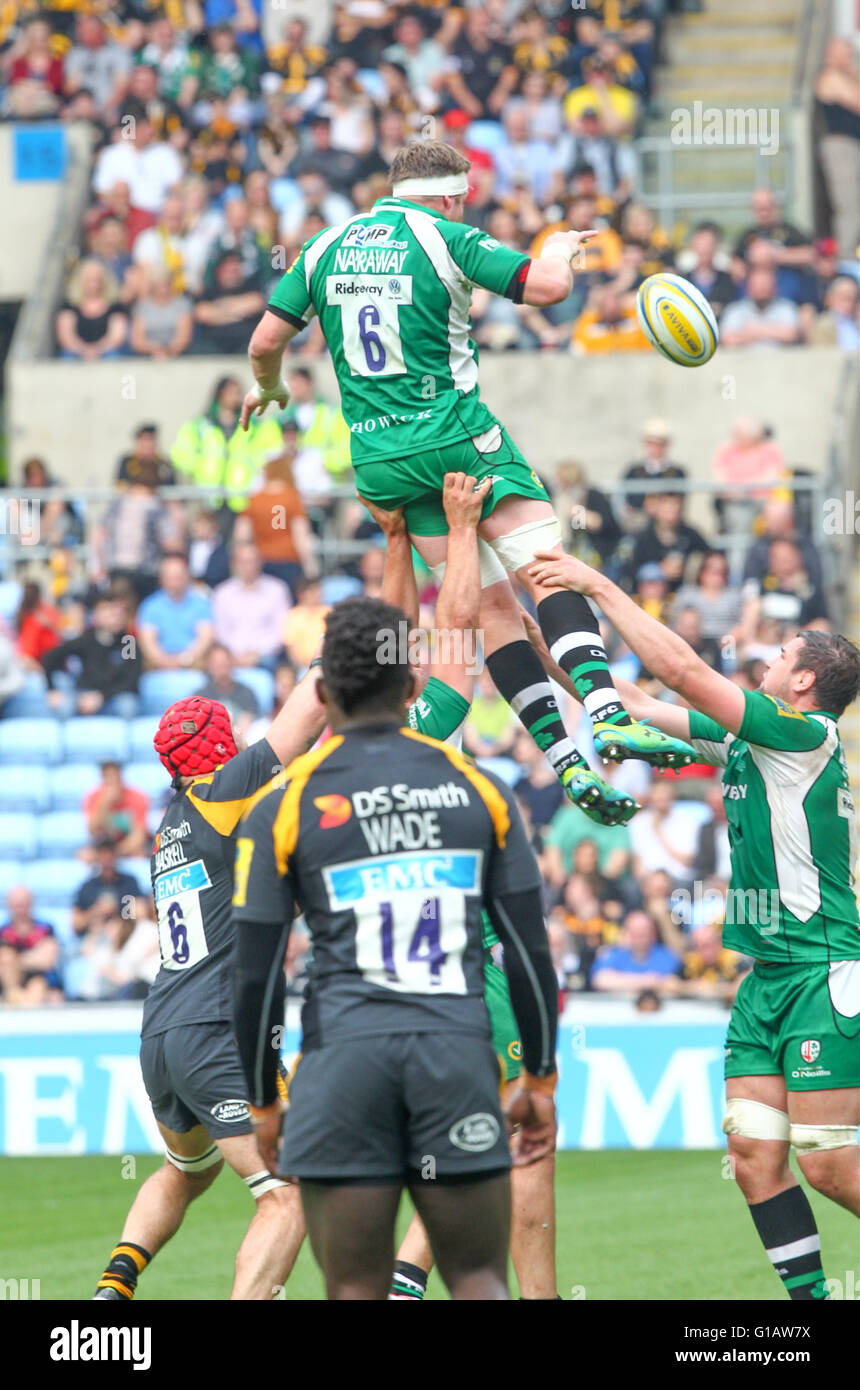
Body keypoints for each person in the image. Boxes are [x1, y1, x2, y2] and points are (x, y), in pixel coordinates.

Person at [242, 137, 694, 830]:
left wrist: (270, 390)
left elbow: (264, 345)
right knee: (549, 568)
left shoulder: (323, 246)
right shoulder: (446, 236)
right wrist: (559, 250)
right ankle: (604, 711)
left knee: (491, 612)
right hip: (457, 438)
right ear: (451, 197)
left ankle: (564, 759)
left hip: (381, 462)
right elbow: (547, 290)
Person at [526, 547, 860, 1301]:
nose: (766, 661)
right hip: (767, 979)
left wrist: (597, 583)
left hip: (823, 969)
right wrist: (537, 642)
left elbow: (678, 670)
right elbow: (638, 703)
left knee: (829, 1162)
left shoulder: (804, 737)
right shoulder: (754, 739)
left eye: (780, 655)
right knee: (752, 1157)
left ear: (803, 680)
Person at [231, 593, 559, 1300]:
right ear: (413, 685)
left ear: (320, 693)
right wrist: (538, 1079)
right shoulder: (482, 789)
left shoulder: (281, 804)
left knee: (354, 1288)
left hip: (343, 1065)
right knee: (476, 1275)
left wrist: (262, 1105)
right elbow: (532, 955)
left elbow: (253, 981)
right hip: (456, 1059)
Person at [364, 473, 561, 1300]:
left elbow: (392, 634)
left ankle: (406, 1275)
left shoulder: (316, 774)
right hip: (471, 961)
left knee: (444, 1137)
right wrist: (457, 529)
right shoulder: (429, 731)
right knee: (527, 1142)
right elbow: (450, 636)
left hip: (381, 988)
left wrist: (396, 540)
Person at [92, 663, 328, 1301]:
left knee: (186, 1170)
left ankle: (115, 1286)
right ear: (218, 746)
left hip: (162, 1030)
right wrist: (336, 652)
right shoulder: (219, 792)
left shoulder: (171, 825)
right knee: (287, 1192)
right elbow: (305, 714)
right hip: (214, 1027)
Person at [43, 591, 141, 719]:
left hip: (113, 697)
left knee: (128, 705)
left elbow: (130, 680)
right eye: (108, 610)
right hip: (84, 696)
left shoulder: (128, 642)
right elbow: (50, 657)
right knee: (63, 706)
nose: (115, 615)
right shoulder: (87, 639)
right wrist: (52, 690)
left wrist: (101, 697)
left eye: (119, 610)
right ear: (96, 614)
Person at [211, 541, 292, 669]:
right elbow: (220, 631)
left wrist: (256, 655)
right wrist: (235, 655)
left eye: (251, 561)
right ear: (234, 563)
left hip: (266, 657)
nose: (248, 567)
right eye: (243, 562)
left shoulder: (277, 589)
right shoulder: (222, 593)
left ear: (260, 562)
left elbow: (282, 631)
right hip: (230, 657)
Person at [137, 553, 215, 671]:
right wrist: (164, 661)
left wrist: (184, 660)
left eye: (178, 576)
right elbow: (148, 643)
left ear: (187, 576)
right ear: (162, 579)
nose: (175, 582)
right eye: (170, 577)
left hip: (194, 666)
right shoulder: (150, 606)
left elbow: (205, 640)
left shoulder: (201, 605)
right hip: (159, 667)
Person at [0, 886, 62, 1006]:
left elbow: (46, 961)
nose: (20, 909)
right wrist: (32, 958)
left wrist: (14, 960)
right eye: (16, 905)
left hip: (41, 981)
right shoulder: (3, 931)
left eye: (24, 904)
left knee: (38, 986)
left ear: (31, 904)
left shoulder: (45, 928)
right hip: (11, 983)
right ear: (9, 906)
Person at [83, 762, 150, 860]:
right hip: (104, 846)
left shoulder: (137, 797)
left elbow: (139, 835)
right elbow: (92, 830)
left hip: (127, 847)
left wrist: (116, 853)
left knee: (140, 854)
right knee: (86, 856)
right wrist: (104, 804)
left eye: (115, 779)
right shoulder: (93, 797)